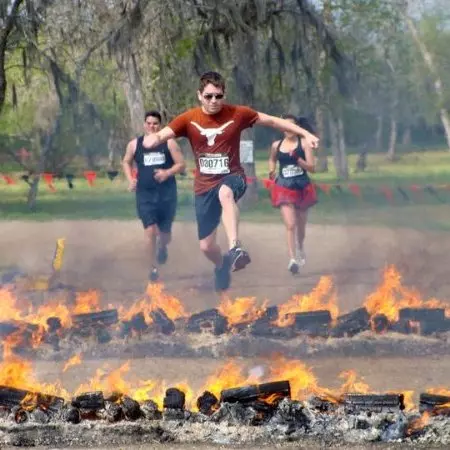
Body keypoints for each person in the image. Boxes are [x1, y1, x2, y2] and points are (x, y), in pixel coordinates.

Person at [142, 71, 319, 292]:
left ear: (224, 95)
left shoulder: (238, 113)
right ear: (200, 95)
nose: (214, 101)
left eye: (218, 96)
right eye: (209, 96)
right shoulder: (188, 119)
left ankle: (235, 247)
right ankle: (222, 264)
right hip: (203, 187)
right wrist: (153, 138)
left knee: (225, 193)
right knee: (206, 246)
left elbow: (274, 121)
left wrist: (306, 134)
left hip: (233, 177)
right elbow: (162, 134)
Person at [122, 110, 186, 281]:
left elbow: (181, 164)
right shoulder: (135, 145)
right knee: (150, 231)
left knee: (165, 235)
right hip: (145, 195)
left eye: (155, 123)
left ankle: (163, 248)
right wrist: (131, 180)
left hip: (167, 195)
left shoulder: (169, 143)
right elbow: (126, 161)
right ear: (144, 125)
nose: (152, 126)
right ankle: (152, 268)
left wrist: (167, 173)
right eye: (149, 123)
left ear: (160, 125)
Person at [268, 114, 318, 274]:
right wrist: (271, 170)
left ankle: (300, 246)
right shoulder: (276, 145)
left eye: (292, 126)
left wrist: (298, 160)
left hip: (302, 187)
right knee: (290, 224)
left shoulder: (304, 144)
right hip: (284, 187)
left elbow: (312, 168)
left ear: (297, 128)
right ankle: (292, 259)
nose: (288, 129)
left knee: (301, 225)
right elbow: (272, 159)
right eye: (285, 125)